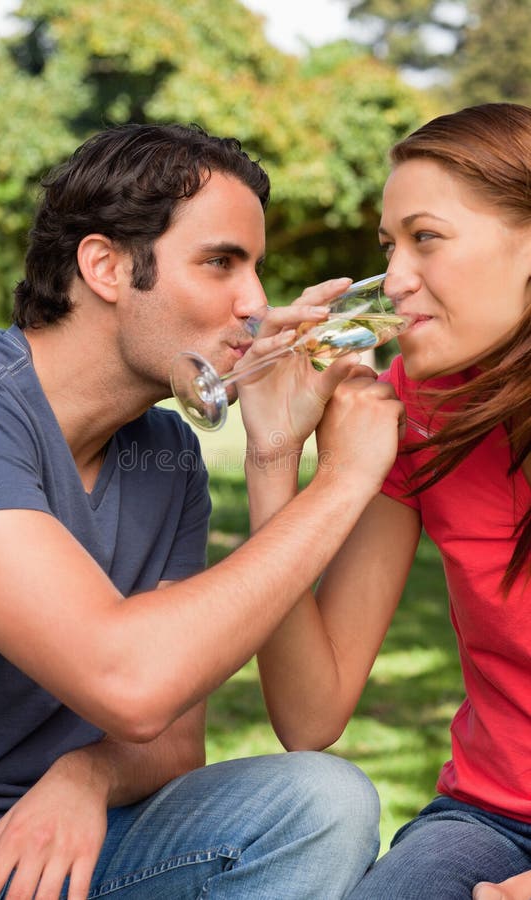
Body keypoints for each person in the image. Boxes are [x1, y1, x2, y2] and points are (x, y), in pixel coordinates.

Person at [0, 122, 404, 898]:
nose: (256, 302)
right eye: (220, 262)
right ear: (107, 266)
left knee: (323, 800)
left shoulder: (163, 452)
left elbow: (173, 741)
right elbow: (130, 682)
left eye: (255, 267)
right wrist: (343, 482)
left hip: (81, 844)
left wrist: (89, 773)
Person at [248, 102, 531, 900]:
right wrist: (275, 461)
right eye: (389, 246)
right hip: (491, 820)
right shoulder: (417, 404)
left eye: (427, 238)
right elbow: (312, 714)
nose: (396, 278)